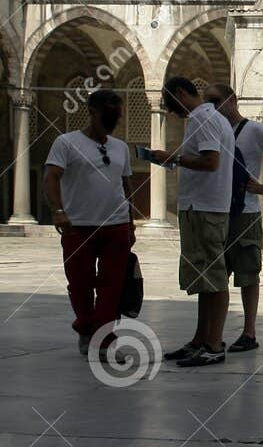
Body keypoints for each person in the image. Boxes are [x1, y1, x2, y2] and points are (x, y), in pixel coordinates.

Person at [205, 83, 263, 353]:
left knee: (247, 273)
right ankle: (213, 334)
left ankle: (249, 332)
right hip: (219, 210)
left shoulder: (254, 130)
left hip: (245, 212)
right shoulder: (212, 131)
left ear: (232, 101)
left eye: (216, 100)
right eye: (207, 102)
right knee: (216, 274)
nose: (212, 107)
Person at [150, 76, 235, 368]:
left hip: (205, 208)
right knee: (204, 277)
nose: (171, 110)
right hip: (202, 206)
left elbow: (211, 162)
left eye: (170, 102)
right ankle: (201, 339)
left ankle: (213, 344)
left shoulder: (203, 119)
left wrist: (173, 159)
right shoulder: (211, 118)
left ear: (180, 93)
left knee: (214, 276)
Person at [44, 88, 135, 360]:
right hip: (78, 225)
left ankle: (104, 340)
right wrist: (58, 211)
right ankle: (86, 326)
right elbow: (51, 177)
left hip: (115, 224)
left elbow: (125, 185)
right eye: (109, 113)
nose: (114, 119)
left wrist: (130, 223)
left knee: (112, 285)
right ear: (92, 111)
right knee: (80, 283)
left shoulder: (120, 147)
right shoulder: (66, 142)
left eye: (117, 115)